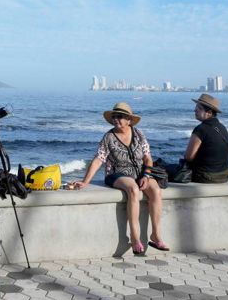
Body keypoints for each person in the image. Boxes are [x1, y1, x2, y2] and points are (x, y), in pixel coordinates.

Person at [68, 102, 168, 256]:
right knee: (133, 189)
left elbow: (148, 158)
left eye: (120, 116)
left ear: (129, 120)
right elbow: (98, 160)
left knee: (155, 189)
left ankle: (156, 235)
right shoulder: (108, 137)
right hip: (117, 174)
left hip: (140, 173)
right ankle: (134, 237)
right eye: (114, 116)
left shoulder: (139, 134)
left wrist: (146, 175)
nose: (116, 119)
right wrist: (85, 181)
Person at [179, 94, 228, 183]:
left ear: (209, 112)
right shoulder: (222, 127)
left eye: (199, 108)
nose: (195, 110)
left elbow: (189, 157)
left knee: (167, 169)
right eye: (196, 107)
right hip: (226, 174)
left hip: (207, 176)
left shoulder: (201, 129)